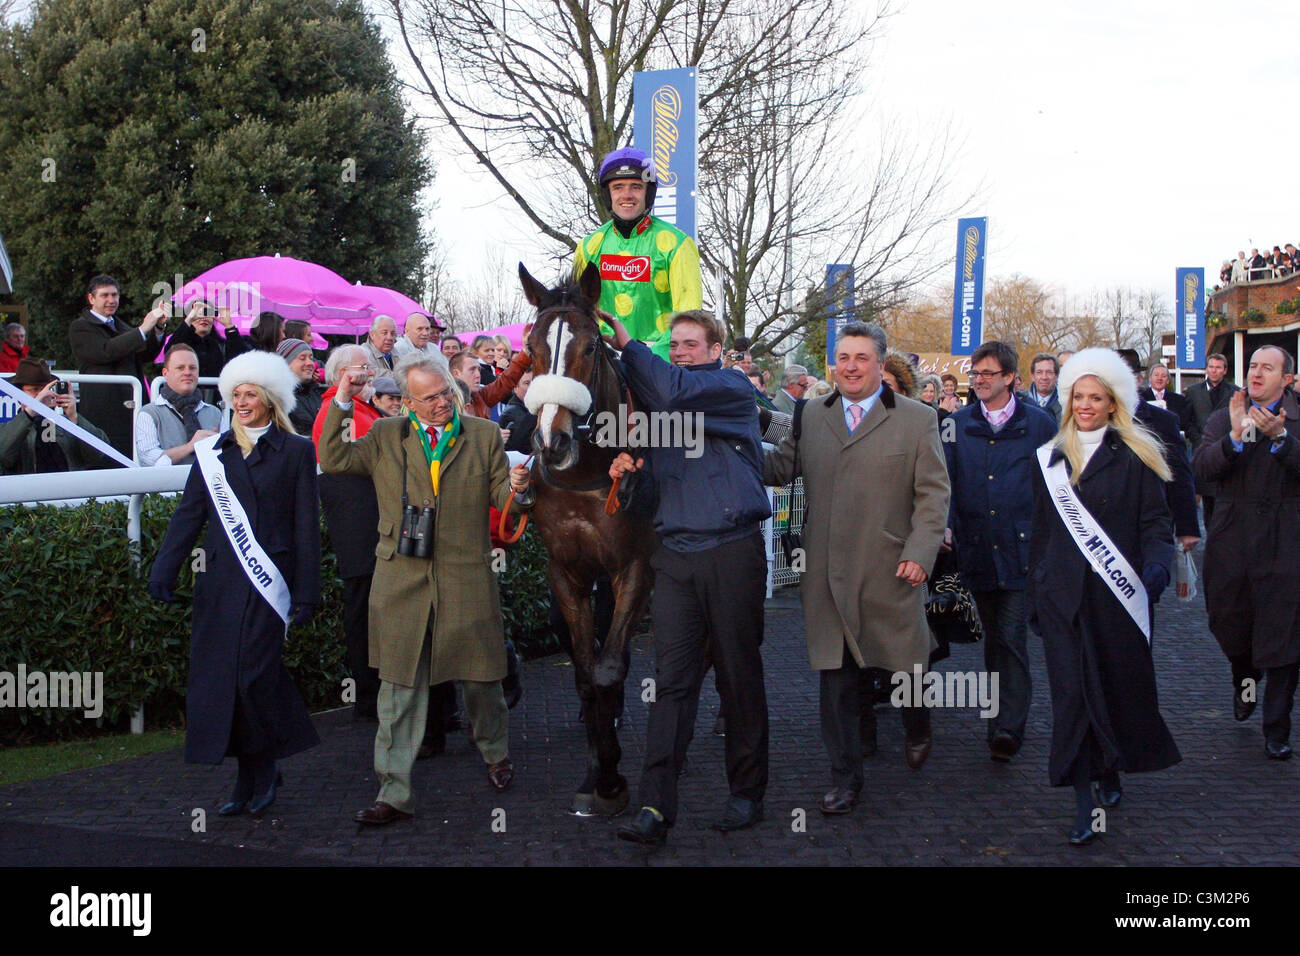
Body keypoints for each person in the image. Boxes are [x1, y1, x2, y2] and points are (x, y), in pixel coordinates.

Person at [318, 353, 533, 824]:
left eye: (446, 394)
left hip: (466, 573)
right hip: (401, 578)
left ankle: (495, 753)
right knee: (398, 688)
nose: (442, 403)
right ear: (408, 405)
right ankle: (393, 793)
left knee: (481, 678)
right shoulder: (384, 436)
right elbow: (332, 458)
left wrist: (520, 489)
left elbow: (506, 501)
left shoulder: (479, 436)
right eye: (430, 397)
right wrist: (342, 397)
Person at [764, 321, 949, 815]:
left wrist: (920, 550)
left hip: (891, 568)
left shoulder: (916, 419)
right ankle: (845, 777)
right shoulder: (810, 414)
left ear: (879, 364)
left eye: (861, 358)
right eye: (843, 357)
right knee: (836, 677)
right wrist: (723, 437)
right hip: (824, 572)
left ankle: (918, 723)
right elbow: (779, 468)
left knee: (904, 667)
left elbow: (933, 494)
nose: (850, 366)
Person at [608, 310, 771, 844]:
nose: (679, 352)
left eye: (689, 344)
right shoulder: (663, 418)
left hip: (731, 554)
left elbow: (672, 389)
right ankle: (655, 805)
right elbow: (655, 495)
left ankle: (746, 792)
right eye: (674, 344)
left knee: (736, 676)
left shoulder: (730, 388)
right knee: (672, 685)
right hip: (675, 557)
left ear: (716, 349)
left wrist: (631, 345)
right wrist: (630, 477)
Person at [148, 350, 322, 817]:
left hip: (270, 585)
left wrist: (308, 592)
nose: (242, 402)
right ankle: (249, 771)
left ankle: (263, 767)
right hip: (222, 584)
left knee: (254, 676)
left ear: (269, 399)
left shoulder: (298, 451)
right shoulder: (212, 453)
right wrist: (164, 568)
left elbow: (307, 525)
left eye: (250, 394)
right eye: (235, 394)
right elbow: (188, 517)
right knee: (224, 679)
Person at [1029, 348, 1179, 845]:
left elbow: (1155, 521)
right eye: (1079, 396)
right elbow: (1041, 532)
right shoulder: (1049, 458)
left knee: (1113, 689)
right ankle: (1081, 800)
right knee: (1072, 696)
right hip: (1062, 599)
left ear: (1114, 403)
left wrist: (1159, 564)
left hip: (1116, 598)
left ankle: (1110, 769)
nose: (1087, 404)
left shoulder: (1136, 454)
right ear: (1069, 399)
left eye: (1097, 397)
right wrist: (1036, 591)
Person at [944, 341, 1057, 763]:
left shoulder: (1042, 425)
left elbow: (1055, 488)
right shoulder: (955, 425)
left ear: (1010, 377)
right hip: (971, 549)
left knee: (1010, 638)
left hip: (1020, 550)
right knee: (991, 639)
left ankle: (1007, 727)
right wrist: (948, 524)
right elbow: (943, 483)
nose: (978, 381)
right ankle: (998, 718)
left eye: (987, 374)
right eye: (974, 374)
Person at [1194, 345, 1300, 760]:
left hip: (1286, 539)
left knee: (1285, 633)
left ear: (1287, 379)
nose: (1256, 373)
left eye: (1267, 368)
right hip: (1232, 541)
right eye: (1252, 365)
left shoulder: (1295, 418)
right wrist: (1235, 437)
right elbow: (1200, 468)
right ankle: (1245, 677)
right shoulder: (1225, 415)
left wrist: (1281, 439)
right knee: (1231, 623)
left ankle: (1277, 727)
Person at [312, 346, 386, 721]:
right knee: (362, 612)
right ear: (342, 373)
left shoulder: (361, 408)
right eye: (363, 366)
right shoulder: (338, 410)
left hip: (366, 525)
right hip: (361, 529)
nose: (371, 372)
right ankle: (368, 697)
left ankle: (371, 694)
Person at [574, 148, 703, 359]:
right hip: (602, 359)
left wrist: (648, 357)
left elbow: (688, 315)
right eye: (618, 187)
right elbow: (579, 309)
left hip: (659, 362)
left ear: (648, 193)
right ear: (608, 194)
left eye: (636, 187)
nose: (627, 195)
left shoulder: (679, 244)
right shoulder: (588, 247)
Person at [67, 274, 168, 457]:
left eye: (114, 295)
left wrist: (158, 329)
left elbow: (145, 355)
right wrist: (143, 329)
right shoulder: (80, 327)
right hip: (102, 411)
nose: (111, 300)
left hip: (131, 409)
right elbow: (106, 351)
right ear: (91, 298)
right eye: (105, 295)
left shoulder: (121, 326)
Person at [0, 357, 110, 474]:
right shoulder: (9, 428)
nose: (41, 395)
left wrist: (74, 418)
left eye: (45, 390)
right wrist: (31, 411)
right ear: (19, 393)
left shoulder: (66, 426)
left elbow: (98, 454)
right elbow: (4, 457)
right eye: (34, 390)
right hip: (29, 490)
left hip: (66, 489)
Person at [136, 344, 222, 466]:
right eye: (180, 368)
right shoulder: (149, 413)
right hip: (167, 484)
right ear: (165, 373)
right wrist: (191, 447)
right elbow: (148, 459)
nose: (187, 372)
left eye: (192, 368)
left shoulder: (215, 413)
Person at [1184, 352, 1239, 529]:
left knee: (1226, 499)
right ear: (1206, 369)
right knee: (1208, 501)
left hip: (1227, 450)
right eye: (1211, 367)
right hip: (1203, 450)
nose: (1214, 371)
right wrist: (1198, 439)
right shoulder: (1193, 392)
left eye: (1218, 367)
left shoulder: (1235, 392)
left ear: (1225, 370)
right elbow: (1188, 420)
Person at [165, 302, 249, 389]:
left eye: (208, 313)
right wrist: (189, 319)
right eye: (198, 314)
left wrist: (229, 326)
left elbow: (242, 359)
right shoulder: (181, 342)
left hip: (215, 398)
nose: (204, 318)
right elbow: (170, 351)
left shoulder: (220, 345)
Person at [277, 338, 324, 437]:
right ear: (286, 363)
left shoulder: (318, 392)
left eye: (311, 358)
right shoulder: (279, 398)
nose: (310, 363)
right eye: (302, 358)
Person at [1139, 364, 1189, 434]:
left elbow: (1183, 423)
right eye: (1156, 375)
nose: (1159, 378)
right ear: (1150, 378)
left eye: (1163, 376)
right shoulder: (1141, 398)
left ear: (1168, 380)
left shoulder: (1179, 400)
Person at [498, 370, 536, 454]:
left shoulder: (526, 409)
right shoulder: (512, 413)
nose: (532, 387)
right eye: (527, 383)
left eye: (534, 382)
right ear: (515, 388)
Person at [1022, 353, 1062, 422]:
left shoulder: (1065, 403)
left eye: (1049, 372)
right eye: (1039, 372)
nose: (1044, 377)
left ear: (1056, 376)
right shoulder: (1019, 402)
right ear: (1032, 376)